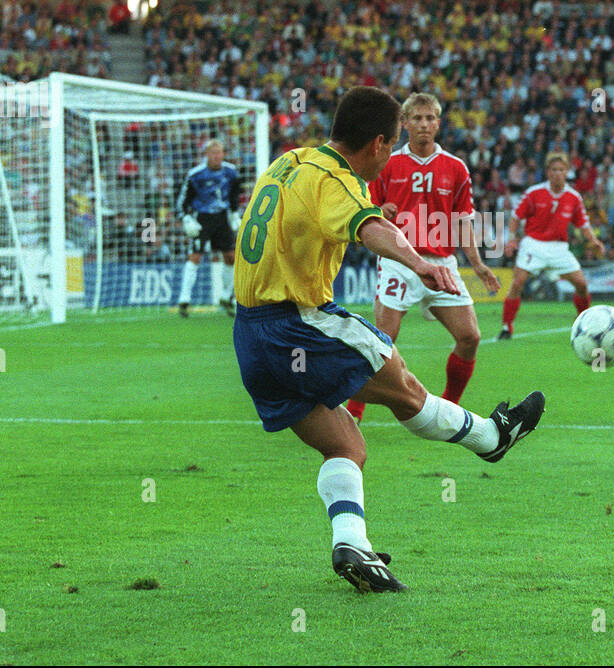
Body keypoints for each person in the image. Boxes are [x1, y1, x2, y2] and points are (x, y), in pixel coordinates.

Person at [232, 87, 545, 593]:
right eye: (394, 140)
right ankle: (492, 438)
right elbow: (370, 225)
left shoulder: (291, 160)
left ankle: (351, 542)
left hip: (248, 336)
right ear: (378, 143)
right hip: (297, 323)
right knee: (406, 389)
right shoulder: (340, 179)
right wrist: (422, 264)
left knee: (347, 446)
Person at [345, 93, 499, 422]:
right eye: (416, 118)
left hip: (441, 265)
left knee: (470, 337)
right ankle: (354, 410)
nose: (424, 124)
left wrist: (479, 264)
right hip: (400, 262)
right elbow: (366, 212)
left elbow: (462, 222)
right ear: (405, 124)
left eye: (430, 118)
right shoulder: (387, 163)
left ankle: (448, 406)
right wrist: (378, 211)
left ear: (438, 124)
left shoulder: (456, 168)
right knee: (383, 340)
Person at [498, 152, 607, 339]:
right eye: (554, 169)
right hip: (534, 244)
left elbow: (583, 224)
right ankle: (507, 326)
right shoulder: (533, 193)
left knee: (581, 284)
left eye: (561, 169)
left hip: (558, 248)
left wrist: (594, 241)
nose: (558, 173)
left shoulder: (574, 197)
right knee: (517, 283)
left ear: (567, 172)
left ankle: (582, 322)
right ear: (547, 172)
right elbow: (516, 217)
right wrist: (511, 239)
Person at [176, 139, 241, 317]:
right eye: (213, 153)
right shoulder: (195, 174)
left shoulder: (231, 172)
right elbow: (182, 201)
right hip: (202, 218)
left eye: (219, 153)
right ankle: (184, 299)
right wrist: (186, 218)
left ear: (223, 154)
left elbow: (235, 195)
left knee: (230, 256)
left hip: (222, 218)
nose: (216, 156)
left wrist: (235, 214)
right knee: (195, 256)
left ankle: (227, 296)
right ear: (206, 155)